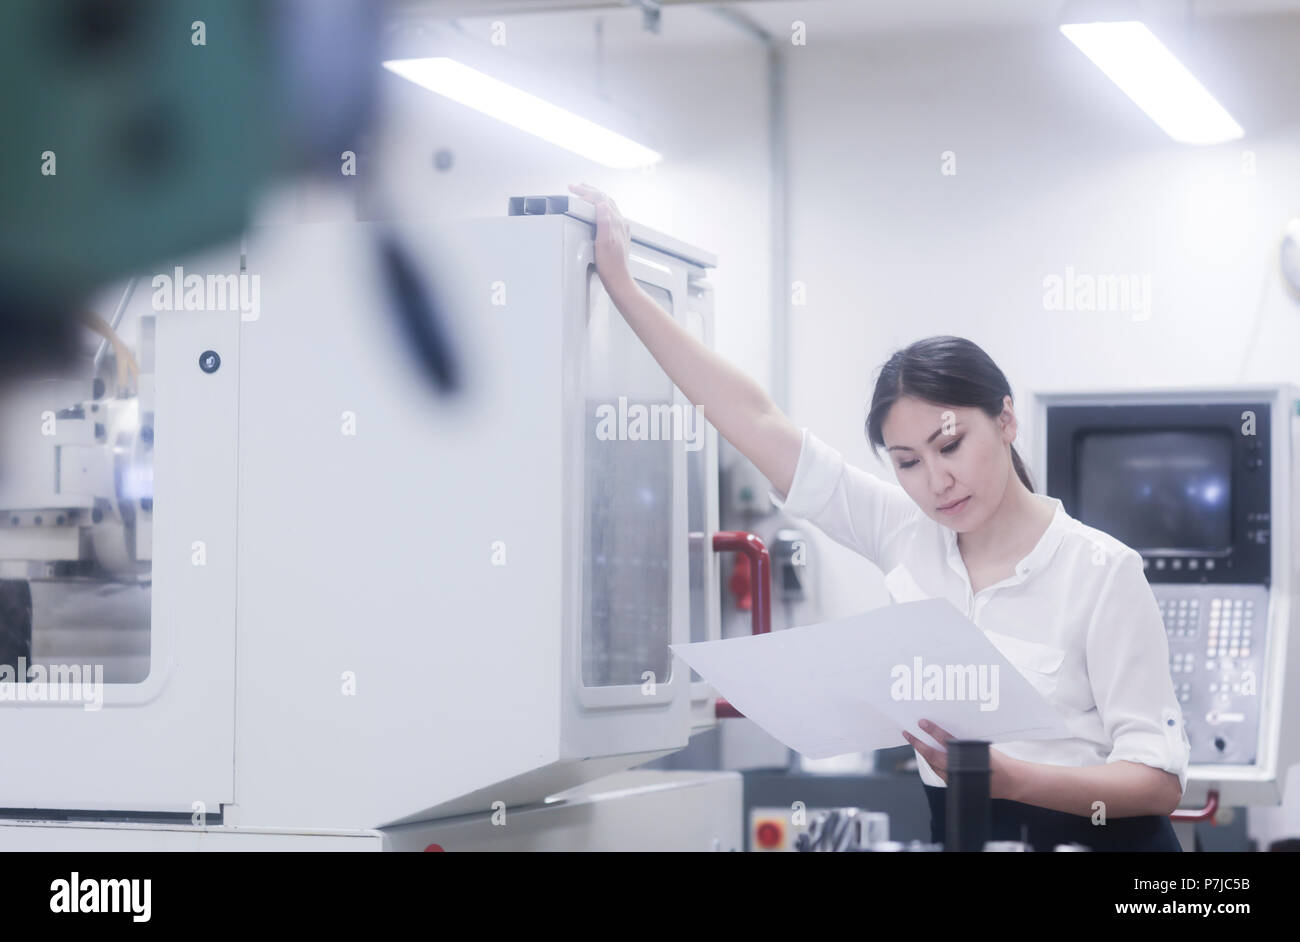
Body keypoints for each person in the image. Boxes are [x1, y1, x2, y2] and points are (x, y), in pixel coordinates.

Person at [570, 182, 1190, 852]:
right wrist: (626, 291)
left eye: (951, 445)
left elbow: (1157, 780)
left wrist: (1012, 779)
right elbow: (753, 420)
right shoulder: (904, 532)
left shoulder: (1100, 571)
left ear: (1005, 419)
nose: (937, 481)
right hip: (962, 833)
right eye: (908, 461)